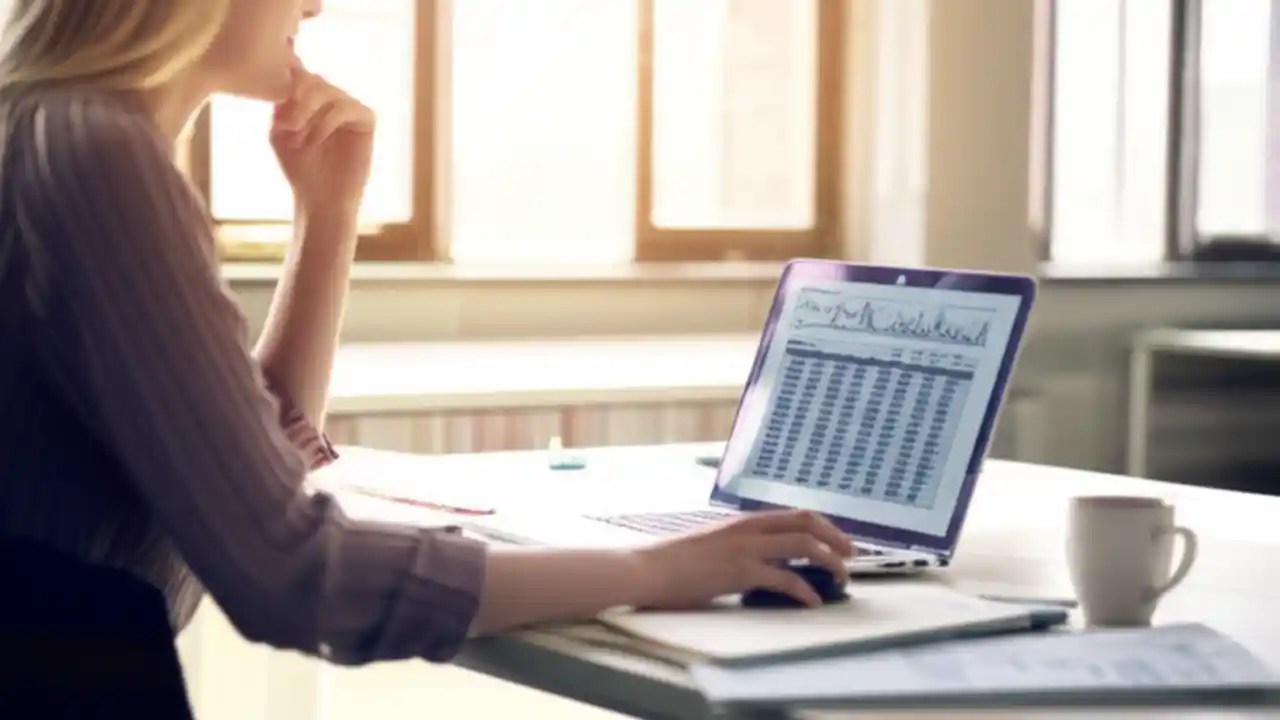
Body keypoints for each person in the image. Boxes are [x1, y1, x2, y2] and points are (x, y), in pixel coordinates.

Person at [0, 0, 853, 698]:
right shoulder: (96, 155)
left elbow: (256, 458)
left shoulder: (50, 132)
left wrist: (328, 213)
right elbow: (296, 576)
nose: (315, 6)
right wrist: (657, 570)